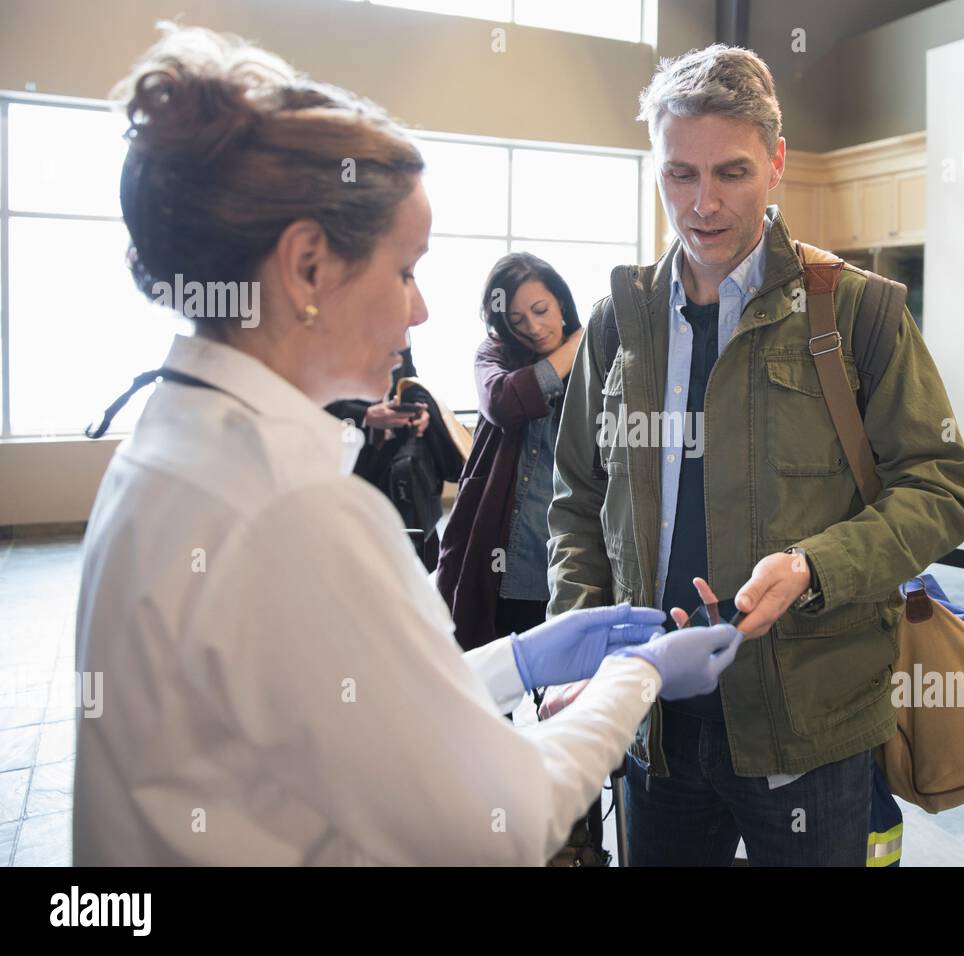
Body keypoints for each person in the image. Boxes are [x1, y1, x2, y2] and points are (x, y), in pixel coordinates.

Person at [73, 23, 740, 866]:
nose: (418, 312)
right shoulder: (296, 509)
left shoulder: (173, 449)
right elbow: (504, 818)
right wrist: (636, 676)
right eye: (406, 269)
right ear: (308, 266)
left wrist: (519, 660)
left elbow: (355, 709)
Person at [548, 45, 964, 866]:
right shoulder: (618, 323)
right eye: (679, 175)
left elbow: (942, 486)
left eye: (732, 173)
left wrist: (815, 565)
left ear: (777, 163)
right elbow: (576, 498)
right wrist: (577, 639)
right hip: (653, 720)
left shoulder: (860, 314)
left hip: (805, 722)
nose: (703, 204)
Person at [436, 253, 584, 650]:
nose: (533, 328)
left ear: (562, 304)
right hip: (498, 544)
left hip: (565, 549)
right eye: (518, 320)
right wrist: (572, 348)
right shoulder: (494, 354)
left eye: (541, 310)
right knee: (483, 673)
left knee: (564, 680)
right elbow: (503, 401)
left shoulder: (599, 357)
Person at [327, 346, 466, 571]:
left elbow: (409, 379)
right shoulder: (326, 332)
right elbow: (303, 396)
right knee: (355, 557)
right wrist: (364, 416)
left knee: (405, 552)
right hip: (346, 459)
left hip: (398, 456)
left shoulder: (400, 330)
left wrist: (421, 412)